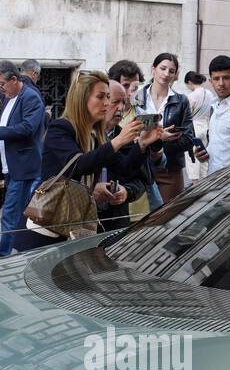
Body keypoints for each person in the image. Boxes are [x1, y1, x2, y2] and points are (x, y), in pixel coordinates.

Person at [34, 69, 156, 244]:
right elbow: (79, 165)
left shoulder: (96, 136)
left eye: (108, 97)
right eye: (101, 97)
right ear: (82, 99)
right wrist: (119, 141)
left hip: (78, 223)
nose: (107, 103)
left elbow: (124, 169)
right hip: (51, 222)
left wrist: (142, 144)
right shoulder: (60, 128)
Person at [0, 60, 44, 257]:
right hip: (10, 168)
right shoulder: (9, 97)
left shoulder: (30, 97)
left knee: (10, 214)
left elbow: (27, 128)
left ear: (14, 79)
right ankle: (19, 253)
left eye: (1, 84)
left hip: (24, 168)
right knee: (16, 214)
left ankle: (3, 255)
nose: (0, 89)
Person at [133, 52, 193, 203]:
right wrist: (158, 137)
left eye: (171, 71)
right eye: (163, 68)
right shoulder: (137, 98)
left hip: (170, 170)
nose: (166, 74)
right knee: (141, 221)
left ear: (175, 75)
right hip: (140, 168)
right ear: (153, 70)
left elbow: (188, 139)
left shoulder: (181, 101)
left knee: (168, 219)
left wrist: (161, 141)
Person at [97, 79, 154, 231]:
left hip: (116, 219)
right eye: (115, 102)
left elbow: (143, 179)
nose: (120, 108)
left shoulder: (127, 136)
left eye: (124, 102)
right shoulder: (82, 136)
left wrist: (126, 191)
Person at [184, 70, 213, 182]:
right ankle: (204, 181)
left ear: (190, 82)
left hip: (194, 128)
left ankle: (195, 183)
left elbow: (187, 115)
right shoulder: (209, 93)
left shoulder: (191, 96)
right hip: (206, 126)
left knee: (192, 156)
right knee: (204, 154)